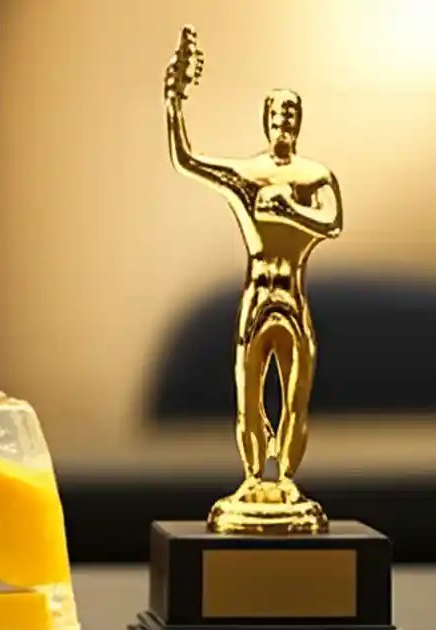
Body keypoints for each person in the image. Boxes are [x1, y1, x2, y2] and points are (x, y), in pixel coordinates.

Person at [164, 26, 343, 533]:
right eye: (276, 114)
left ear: (299, 123)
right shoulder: (248, 176)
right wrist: (174, 103)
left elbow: (332, 223)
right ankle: (251, 476)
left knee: (294, 396)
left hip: (293, 296)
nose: (283, 121)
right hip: (257, 297)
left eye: (290, 114)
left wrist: (288, 212)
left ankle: (284, 476)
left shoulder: (313, 177)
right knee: (246, 394)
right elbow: (187, 160)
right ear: (265, 122)